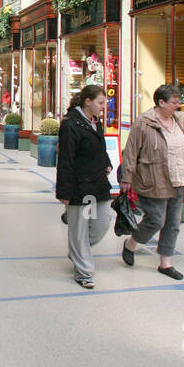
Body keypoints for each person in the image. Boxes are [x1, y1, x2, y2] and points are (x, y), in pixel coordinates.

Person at [119, 83, 184, 280]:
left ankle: (165, 263)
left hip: (178, 178)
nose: (177, 106)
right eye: (174, 102)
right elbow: (131, 151)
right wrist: (127, 177)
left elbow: (183, 141)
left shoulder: (179, 120)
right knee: (156, 220)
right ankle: (131, 244)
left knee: (173, 222)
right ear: (161, 102)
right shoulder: (144, 122)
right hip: (153, 178)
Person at [55, 85, 114, 289]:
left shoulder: (95, 123)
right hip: (79, 186)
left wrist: (106, 162)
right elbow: (65, 159)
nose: (104, 107)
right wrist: (64, 192)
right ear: (87, 102)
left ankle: (77, 251)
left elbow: (100, 147)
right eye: (101, 103)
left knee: (102, 223)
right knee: (79, 230)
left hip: (97, 183)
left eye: (104, 103)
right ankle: (84, 272)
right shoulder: (71, 124)